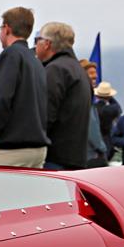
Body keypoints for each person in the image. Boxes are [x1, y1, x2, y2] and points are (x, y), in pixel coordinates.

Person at [0, 7, 49, 167]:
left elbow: (2, 100)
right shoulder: (34, 60)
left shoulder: (11, 55)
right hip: (37, 148)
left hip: (11, 150)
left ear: (7, 28)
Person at [34, 22, 91, 170]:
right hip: (76, 157)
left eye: (36, 41)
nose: (35, 46)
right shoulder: (79, 70)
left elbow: (44, 116)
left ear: (47, 43)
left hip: (55, 157)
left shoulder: (55, 70)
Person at [93, 81, 121, 164]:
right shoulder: (112, 109)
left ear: (96, 95)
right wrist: (109, 95)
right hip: (107, 143)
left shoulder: (92, 108)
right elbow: (118, 108)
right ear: (110, 96)